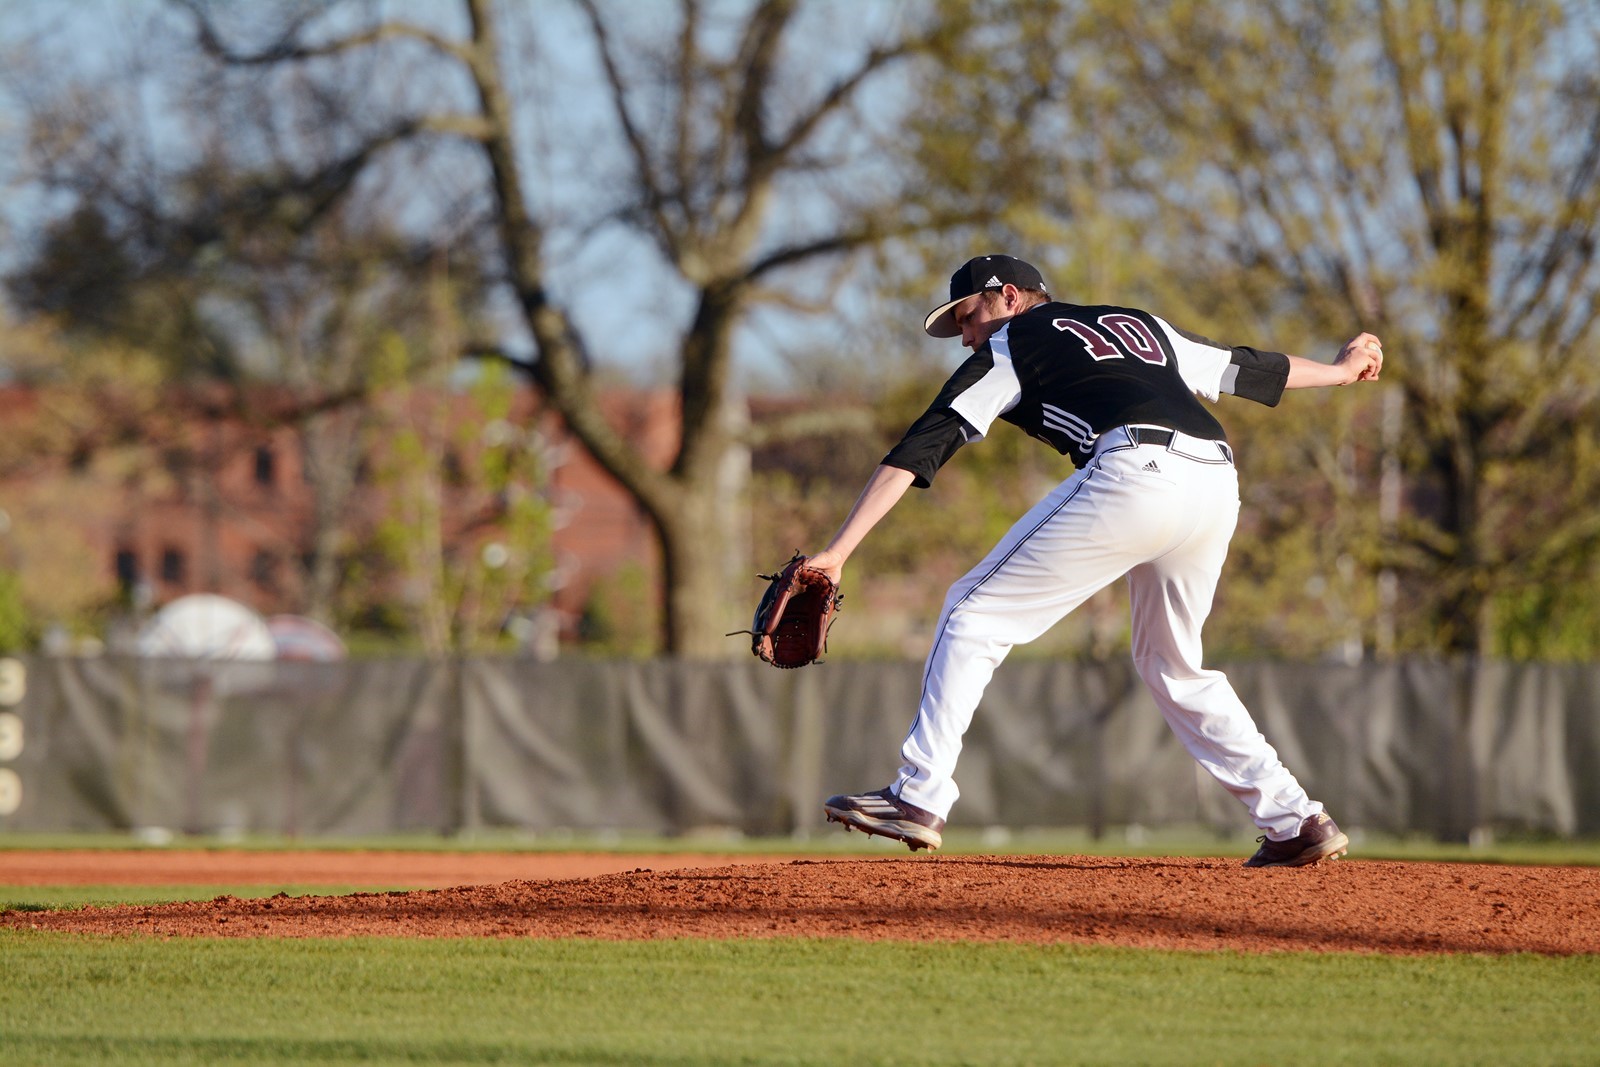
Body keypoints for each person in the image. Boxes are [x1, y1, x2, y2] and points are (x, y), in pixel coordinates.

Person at [812, 254, 1383, 867]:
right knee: (1171, 664)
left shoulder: (1012, 343)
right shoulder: (1139, 323)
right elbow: (1244, 370)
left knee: (971, 613)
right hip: (1216, 479)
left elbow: (924, 444)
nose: (967, 335)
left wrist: (838, 552)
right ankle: (1295, 820)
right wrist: (1342, 370)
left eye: (969, 316)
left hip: (1136, 470)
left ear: (1008, 296)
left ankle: (918, 795)